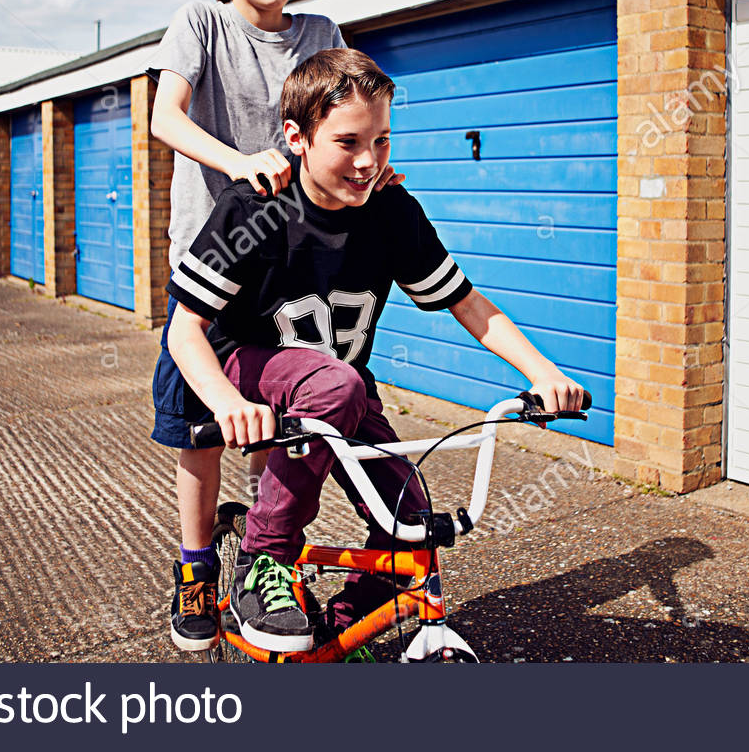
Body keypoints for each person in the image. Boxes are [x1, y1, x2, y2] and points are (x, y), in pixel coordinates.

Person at [166, 48, 587, 652]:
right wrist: (226, 402)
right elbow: (185, 330)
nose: (368, 161)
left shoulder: (391, 212)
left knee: (412, 528)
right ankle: (265, 559)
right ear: (297, 137)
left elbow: (468, 303)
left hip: (339, 393)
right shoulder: (256, 207)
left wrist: (544, 373)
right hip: (252, 369)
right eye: (348, 142)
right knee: (338, 384)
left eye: (382, 141)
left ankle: (342, 620)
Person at [150, 0, 399, 652]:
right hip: (216, 256)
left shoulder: (320, 33)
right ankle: (197, 568)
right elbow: (165, 117)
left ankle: (267, 560)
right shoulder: (202, 21)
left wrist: (370, 169)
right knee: (202, 423)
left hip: (293, 268)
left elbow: (349, 109)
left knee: (298, 417)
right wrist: (240, 164)